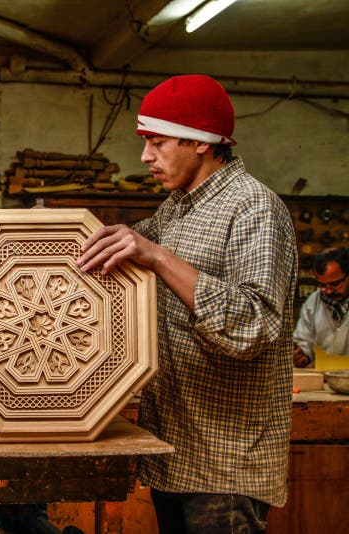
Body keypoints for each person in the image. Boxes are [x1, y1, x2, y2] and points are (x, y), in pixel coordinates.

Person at [76, 75, 297, 533]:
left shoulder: (254, 207)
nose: (145, 157)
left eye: (157, 142)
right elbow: (120, 253)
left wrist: (156, 255)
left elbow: (252, 326)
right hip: (177, 452)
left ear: (199, 141)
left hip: (225, 464)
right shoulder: (178, 207)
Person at [293, 247, 349, 367]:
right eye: (322, 285)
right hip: (323, 380)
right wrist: (301, 356)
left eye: (334, 284)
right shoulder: (313, 302)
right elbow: (303, 342)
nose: (328, 291)